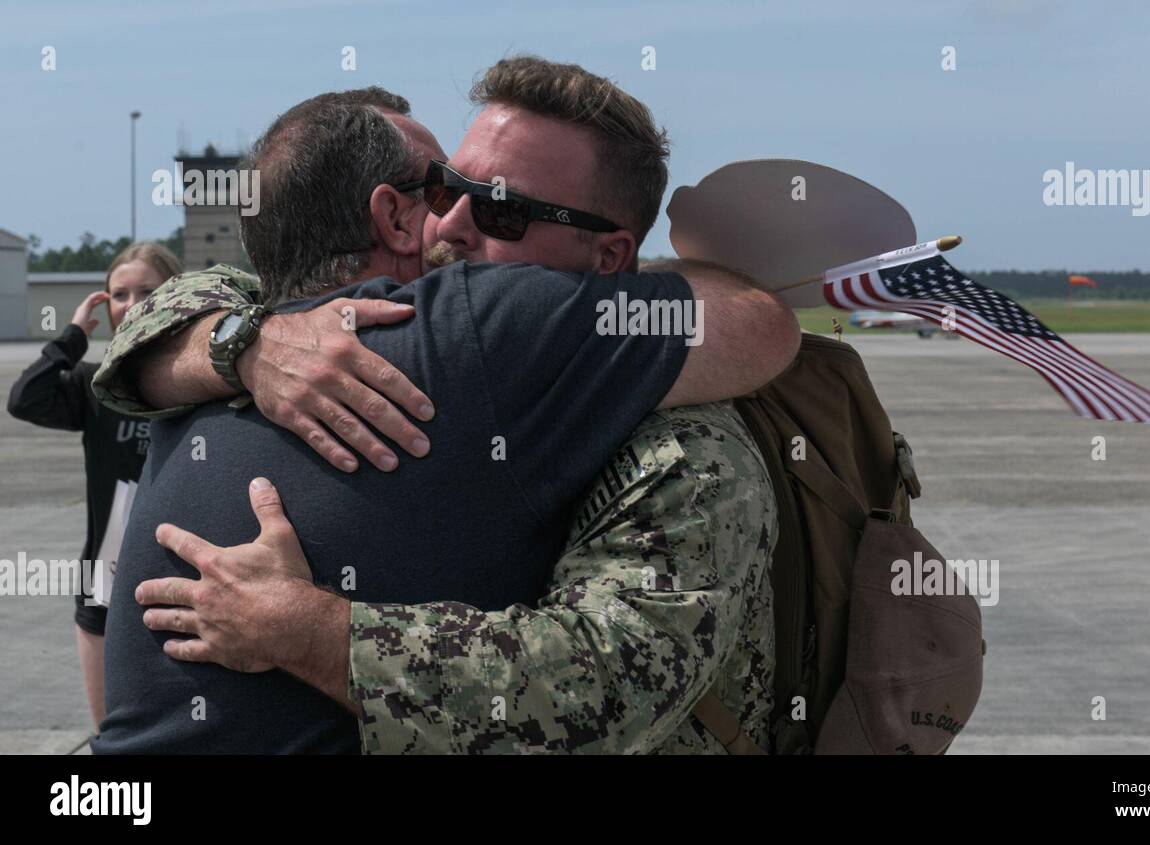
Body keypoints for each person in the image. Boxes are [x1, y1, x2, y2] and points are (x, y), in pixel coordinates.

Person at [91, 71, 799, 754]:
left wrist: (308, 628)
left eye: (499, 208)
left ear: (611, 257)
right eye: (445, 189)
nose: (448, 223)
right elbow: (758, 317)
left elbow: (610, 686)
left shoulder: (678, 436)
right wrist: (240, 342)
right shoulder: (318, 330)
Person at [6, 242, 182, 733]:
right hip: (104, 581)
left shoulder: (205, 380)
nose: (132, 303)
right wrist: (71, 337)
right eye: (119, 294)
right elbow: (25, 399)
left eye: (148, 290)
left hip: (186, 577)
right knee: (112, 735)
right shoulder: (94, 386)